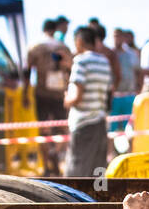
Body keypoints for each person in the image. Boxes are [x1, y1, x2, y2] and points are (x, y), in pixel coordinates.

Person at [64, 24, 113, 177]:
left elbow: (78, 96)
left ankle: (72, 200)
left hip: (83, 122)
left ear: (79, 41)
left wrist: (67, 100)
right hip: (100, 120)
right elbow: (109, 91)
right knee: (98, 169)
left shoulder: (80, 61)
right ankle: (100, 196)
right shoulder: (104, 61)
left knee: (76, 168)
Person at [26, 18, 73, 175]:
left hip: (41, 94)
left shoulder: (35, 47)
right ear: (55, 29)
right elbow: (70, 70)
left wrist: (26, 93)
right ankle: (55, 154)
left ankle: (46, 164)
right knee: (61, 128)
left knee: (43, 131)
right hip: (59, 94)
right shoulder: (64, 47)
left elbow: (27, 71)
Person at [111, 27, 140, 118]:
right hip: (114, 96)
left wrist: (139, 87)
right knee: (113, 127)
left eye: (119, 36)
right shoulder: (109, 54)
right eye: (115, 36)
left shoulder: (132, 54)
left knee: (128, 125)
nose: (117, 39)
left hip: (129, 94)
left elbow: (138, 72)